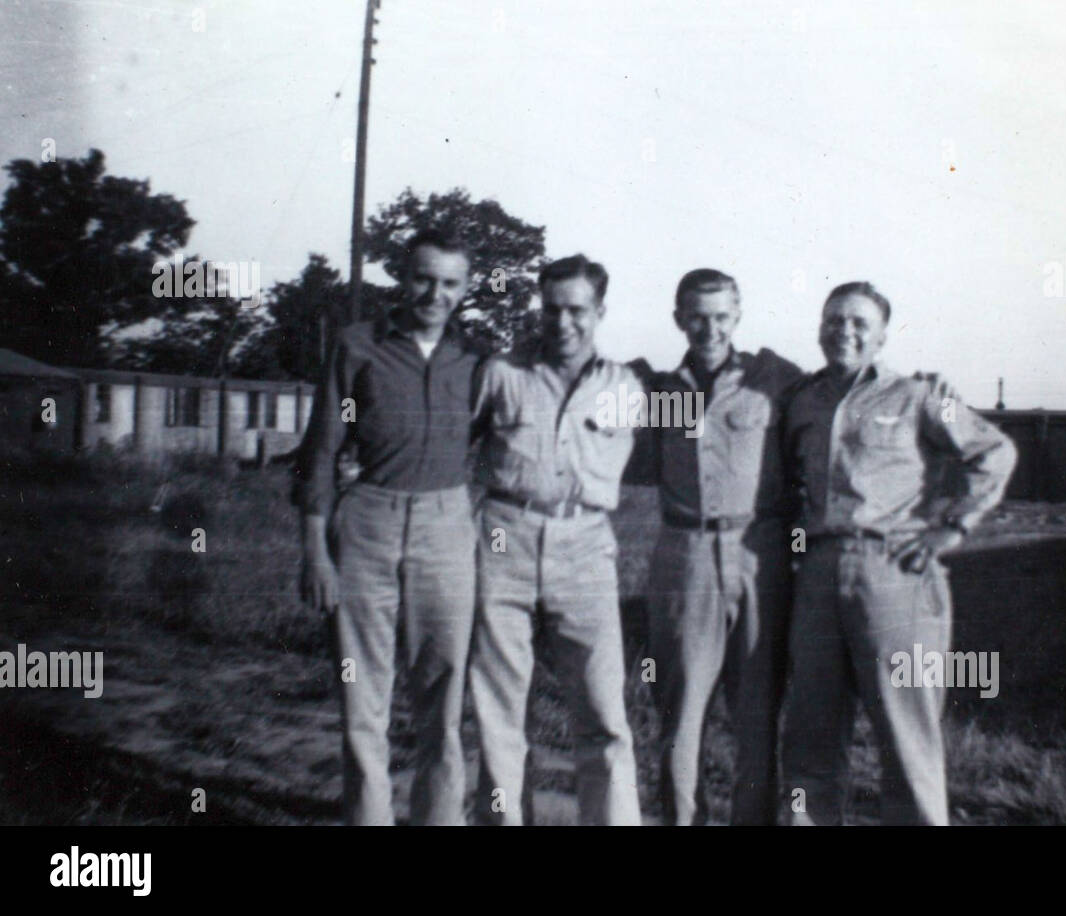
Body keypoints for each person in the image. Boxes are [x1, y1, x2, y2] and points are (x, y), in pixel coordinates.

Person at [781, 281, 1017, 825]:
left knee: (906, 736)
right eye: (834, 319)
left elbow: (994, 451)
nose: (845, 330)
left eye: (860, 322)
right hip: (816, 573)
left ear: (882, 335)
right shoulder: (802, 400)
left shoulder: (916, 395)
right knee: (810, 736)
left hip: (893, 573)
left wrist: (951, 527)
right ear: (820, 327)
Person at [294, 229, 481, 826]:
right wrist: (316, 553)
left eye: (450, 282)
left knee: (445, 698)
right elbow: (321, 451)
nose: (435, 292)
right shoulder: (358, 346)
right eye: (424, 278)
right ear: (403, 277)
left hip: (447, 526)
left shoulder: (479, 360)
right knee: (362, 697)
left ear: (466, 288)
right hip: (368, 521)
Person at [469, 253, 643, 825]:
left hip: (587, 543)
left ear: (600, 312)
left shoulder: (627, 387)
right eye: (552, 309)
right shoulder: (502, 373)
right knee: (499, 711)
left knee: (603, 712)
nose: (563, 322)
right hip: (504, 537)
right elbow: (450, 445)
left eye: (577, 311)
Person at [632, 268, 802, 825]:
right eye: (697, 317)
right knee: (680, 714)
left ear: (739, 315)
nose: (709, 329)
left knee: (757, 715)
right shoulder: (659, 389)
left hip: (759, 552)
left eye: (721, 317)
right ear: (679, 318)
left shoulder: (775, 379)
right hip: (683, 552)